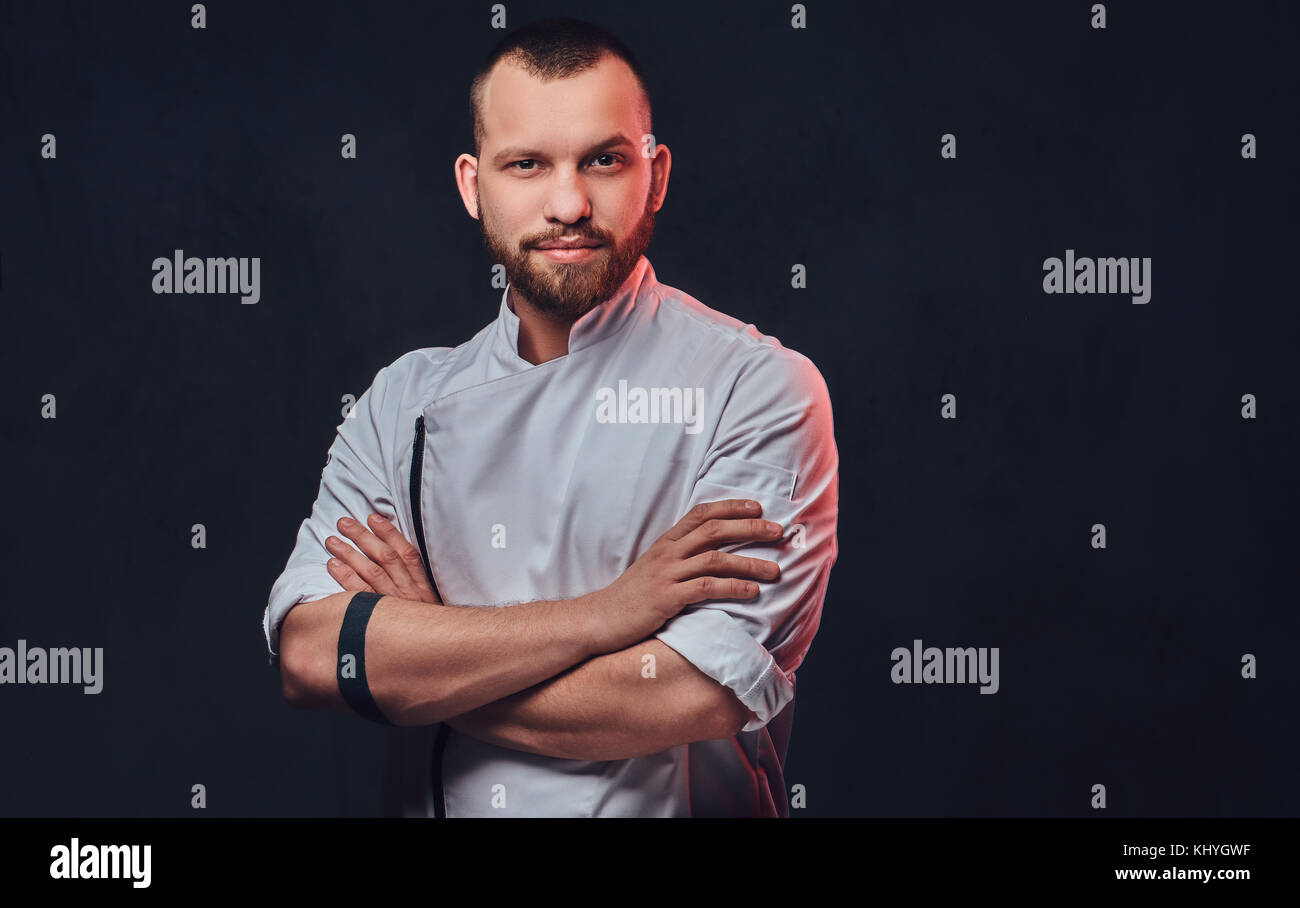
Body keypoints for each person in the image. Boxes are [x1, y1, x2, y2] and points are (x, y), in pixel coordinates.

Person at [263, 16, 838, 817]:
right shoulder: (403, 404)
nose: (568, 202)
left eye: (603, 159)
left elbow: (682, 694)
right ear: (473, 186)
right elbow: (312, 655)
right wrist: (607, 615)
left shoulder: (760, 389)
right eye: (526, 164)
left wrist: (425, 656)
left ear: (656, 174)